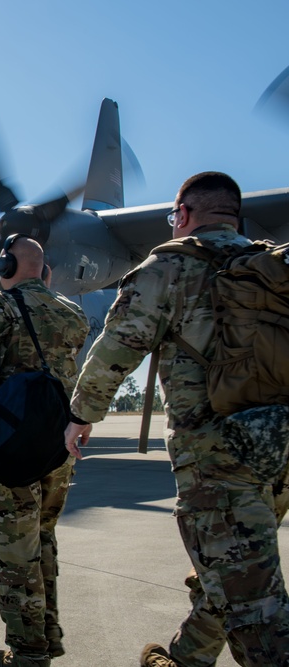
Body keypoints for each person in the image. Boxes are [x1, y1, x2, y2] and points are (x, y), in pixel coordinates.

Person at [65, 172, 289, 667]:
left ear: (183, 215)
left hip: (216, 457)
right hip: (278, 448)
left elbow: (117, 348)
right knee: (233, 571)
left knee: (256, 609)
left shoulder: (170, 266)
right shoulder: (273, 266)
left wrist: (82, 414)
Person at [0, 235, 88, 667]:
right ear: (45, 271)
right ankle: (48, 635)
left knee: (13, 551)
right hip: (57, 446)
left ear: (6, 266)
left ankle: (28, 653)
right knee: (42, 538)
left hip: (9, 445)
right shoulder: (72, 312)